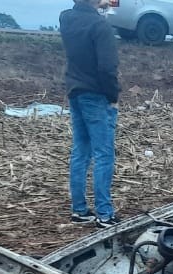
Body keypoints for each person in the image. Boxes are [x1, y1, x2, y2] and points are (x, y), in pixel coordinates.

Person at [59, 0, 121, 227]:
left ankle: (79, 210)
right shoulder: (100, 27)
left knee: (80, 152)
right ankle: (105, 215)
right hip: (97, 95)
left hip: (75, 91)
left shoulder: (66, 18)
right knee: (104, 154)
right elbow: (107, 68)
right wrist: (113, 97)